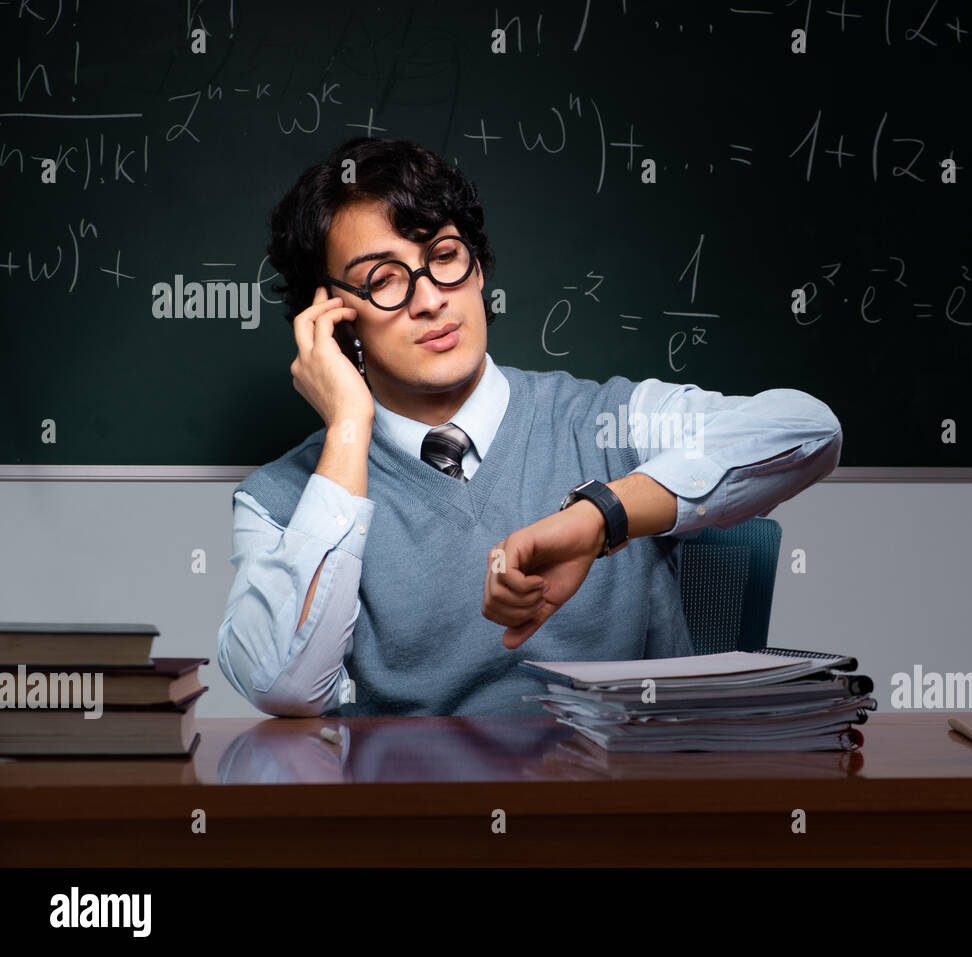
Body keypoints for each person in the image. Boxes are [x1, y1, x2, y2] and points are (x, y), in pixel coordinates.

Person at [217, 137, 842, 717]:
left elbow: (808, 429)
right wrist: (349, 426)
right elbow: (283, 685)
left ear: (479, 269)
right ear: (335, 320)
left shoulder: (607, 424)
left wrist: (601, 516)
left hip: (623, 811)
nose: (431, 297)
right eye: (383, 280)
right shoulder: (285, 499)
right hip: (424, 823)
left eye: (444, 257)